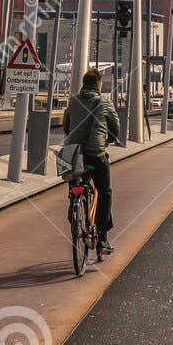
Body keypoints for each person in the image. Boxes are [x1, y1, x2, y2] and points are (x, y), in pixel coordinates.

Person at [63, 68, 121, 257]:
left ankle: (74, 204)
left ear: (83, 83)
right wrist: (108, 139)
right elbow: (115, 127)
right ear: (98, 84)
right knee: (104, 192)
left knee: (76, 182)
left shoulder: (73, 101)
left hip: (74, 153)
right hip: (96, 154)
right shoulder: (105, 102)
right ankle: (102, 239)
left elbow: (66, 125)